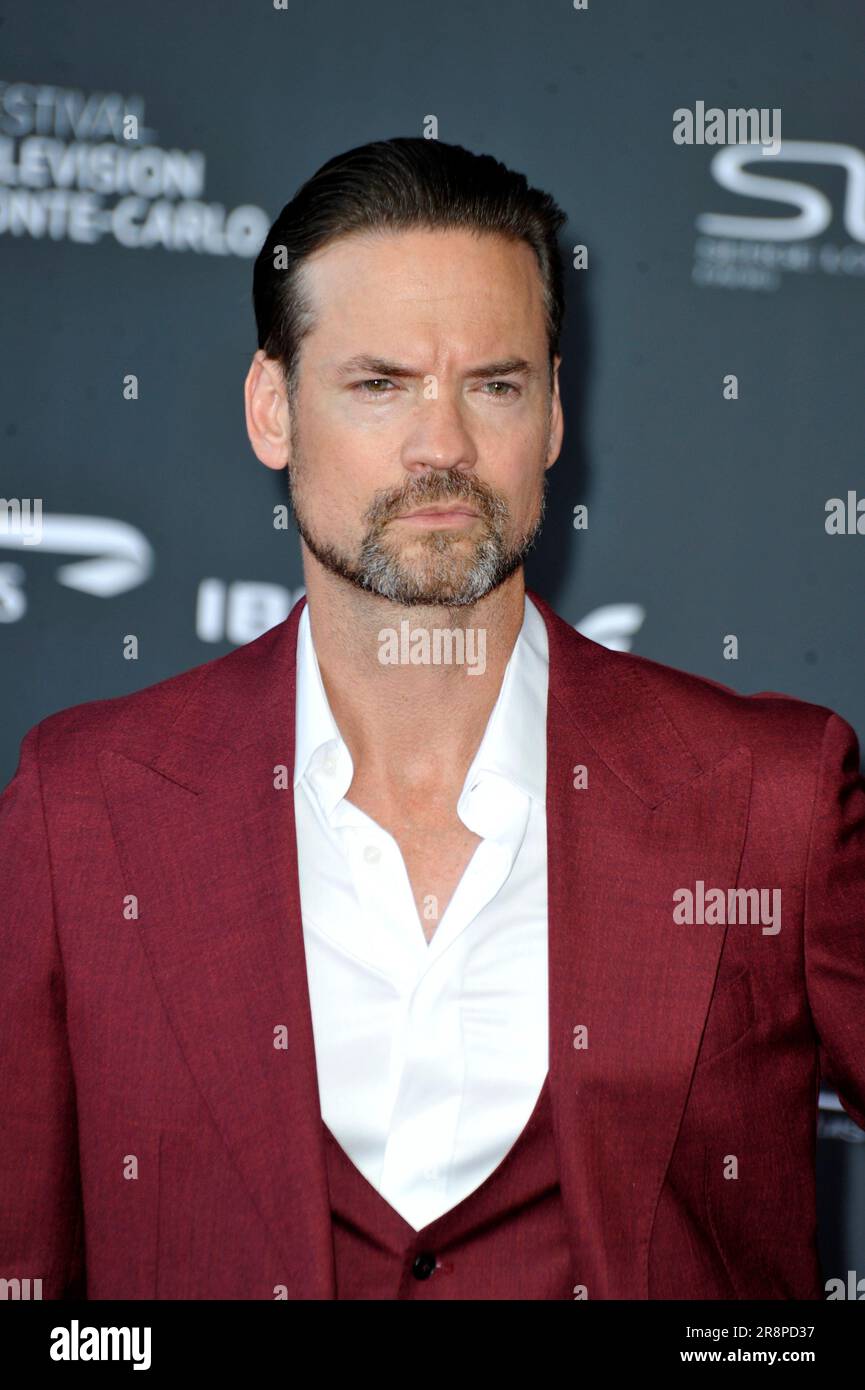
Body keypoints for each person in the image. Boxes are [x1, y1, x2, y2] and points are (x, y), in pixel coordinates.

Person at [1, 137, 863, 1301]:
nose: (442, 445)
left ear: (554, 415)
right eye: (380, 382)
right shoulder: (83, 807)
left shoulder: (773, 797)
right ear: (272, 409)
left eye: (493, 384)